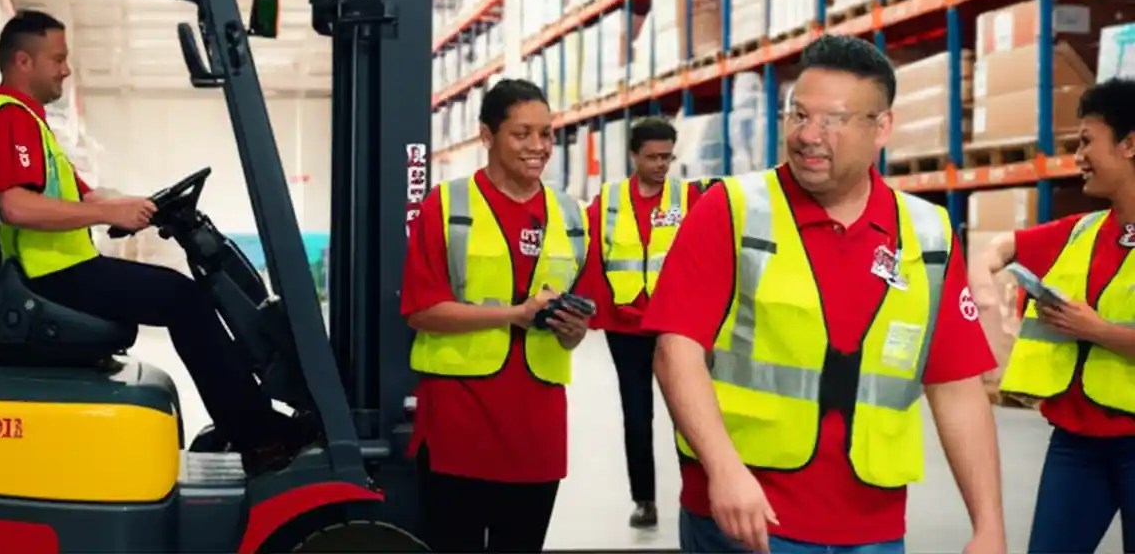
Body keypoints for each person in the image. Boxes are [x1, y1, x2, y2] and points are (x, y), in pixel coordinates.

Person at [642, 34, 1007, 554]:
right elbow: (675, 350)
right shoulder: (731, 209)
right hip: (746, 517)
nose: (809, 135)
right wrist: (723, 470)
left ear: (882, 127)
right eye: (798, 115)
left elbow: (956, 387)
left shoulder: (927, 235)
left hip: (873, 528)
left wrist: (988, 525)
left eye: (833, 120)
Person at [0, 9, 315, 475]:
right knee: (182, 299)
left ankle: (249, 422)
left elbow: (85, 193)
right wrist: (109, 212)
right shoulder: (10, 119)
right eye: (58, 59)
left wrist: (136, 206)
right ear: (23, 62)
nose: (66, 69)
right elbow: (17, 207)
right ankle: (260, 436)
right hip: (44, 277)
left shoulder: (26, 121)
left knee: (180, 296)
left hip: (50, 271)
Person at [400, 78, 596, 553]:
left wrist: (573, 329)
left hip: (537, 430)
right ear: (487, 136)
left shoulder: (572, 216)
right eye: (522, 133)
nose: (538, 147)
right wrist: (515, 314)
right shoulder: (445, 208)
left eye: (546, 134)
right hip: (458, 422)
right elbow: (421, 310)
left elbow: (582, 321)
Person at [969, 77, 1135, 553]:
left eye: (1087, 141)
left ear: (1129, 144)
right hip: (1077, 441)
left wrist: (1094, 329)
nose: (1078, 156)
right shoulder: (1084, 230)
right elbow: (1001, 248)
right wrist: (983, 285)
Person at [579, 116, 701, 529]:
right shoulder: (610, 200)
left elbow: (705, 257)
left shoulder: (687, 199)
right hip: (625, 325)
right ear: (634, 156)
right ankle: (645, 500)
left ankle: (697, 499)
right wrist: (596, 313)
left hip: (673, 324)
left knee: (689, 412)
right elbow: (593, 254)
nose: (660, 164)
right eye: (652, 157)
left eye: (667, 157)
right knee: (637, 413)